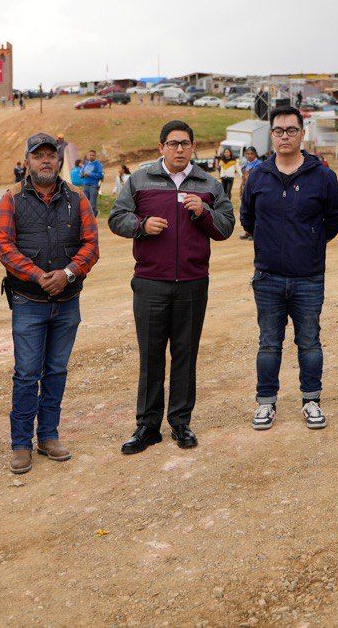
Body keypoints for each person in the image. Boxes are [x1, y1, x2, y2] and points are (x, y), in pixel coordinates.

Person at [109, 120, 235, 454]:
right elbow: (116, 217)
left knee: (185, 354)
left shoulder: (208, 184)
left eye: (185, 143)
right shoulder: (139, 179)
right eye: (173, 143)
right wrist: (140, 225)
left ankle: (180, 422)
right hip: (151, 283)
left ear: (193, 147)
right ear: (161, 147)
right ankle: (147, 426)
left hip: (193, 284)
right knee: (151, 356)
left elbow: (225, 228)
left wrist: (204, 211)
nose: (179, 149)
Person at [0, 134, 100, 474]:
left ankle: (49, 436)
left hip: (68, 301)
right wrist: (40, 275)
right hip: (28, 301)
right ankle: (21, 444)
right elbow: (4, 247)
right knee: (26, 374)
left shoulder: (78, 198)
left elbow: (91, 245)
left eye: (50, 156)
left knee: (56, 371)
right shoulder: (11, 198)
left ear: (59, 161)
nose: (45, 161)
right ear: (27, 161)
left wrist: (68, 273)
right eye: (38, 156)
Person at [240, 106, 338, 430]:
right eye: (278, 131)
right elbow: (248, 217)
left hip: (308, 277)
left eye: (290, 130)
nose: (284, 136)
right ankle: (266, 403)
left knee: (310, 342)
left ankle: (311, 399)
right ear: (271, 135)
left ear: (302, 134)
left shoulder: (322, 176)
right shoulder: (258, 175)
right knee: (269, 343)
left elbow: (336, 218)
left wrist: (311, 241)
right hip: (268, 276)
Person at [238, 146, 261, 240]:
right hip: (245, 189)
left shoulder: (259, 164)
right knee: (246, 210)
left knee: (254, 210)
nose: (249, 155)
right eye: (247, 154)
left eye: (251, 153)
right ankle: (247, 231)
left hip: (255, 189)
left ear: (255, 154)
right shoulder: (245, 164)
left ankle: (254, 232)